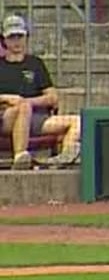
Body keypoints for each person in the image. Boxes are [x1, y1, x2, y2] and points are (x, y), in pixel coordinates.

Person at [1, 15, 82, 169]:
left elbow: (52, 97)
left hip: (37, 119)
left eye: (20, 36)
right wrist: (11, 99)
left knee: (77, 121)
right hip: (7, 117)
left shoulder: (36, 64)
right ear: (4, 40)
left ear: (26, 37)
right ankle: (21, 156)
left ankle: (62, 160)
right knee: (22, 107)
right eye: (12, 37)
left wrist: (29, 101)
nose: (16, 41)